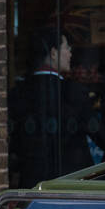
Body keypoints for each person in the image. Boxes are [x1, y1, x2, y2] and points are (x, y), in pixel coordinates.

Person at [8, 30, 96, 187]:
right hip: (69, 185)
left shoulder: (18, 93)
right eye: (67, 48)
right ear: (54, 53)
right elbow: (98, 134)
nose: (70, 53)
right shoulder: (74, 93)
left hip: (30, 185)